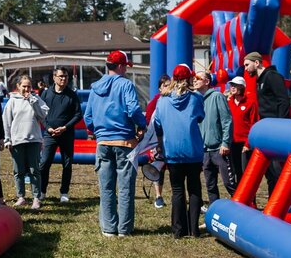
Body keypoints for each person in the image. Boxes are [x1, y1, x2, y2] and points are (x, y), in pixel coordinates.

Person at [84, 50, 146, 237]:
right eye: (125, 66)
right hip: (124, 141)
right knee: (125, 188)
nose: (126, 69)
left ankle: (109, 228)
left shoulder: (95, 87)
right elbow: (133, 109)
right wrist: (141, 125)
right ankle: (124, 229)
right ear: (120, 66)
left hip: (103, 142)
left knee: (106, 188)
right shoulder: (126, 84)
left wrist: (97, 132)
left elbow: (88, 117)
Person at [152, 64, 204, 238]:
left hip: (173, 151)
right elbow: (200, 117)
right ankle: (194, 229)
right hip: (193, 150)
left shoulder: (162, 100)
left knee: (177, 191)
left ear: (173, 79)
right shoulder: (196, 98)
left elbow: (157, 124)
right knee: (194, 189)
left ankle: (178, 230)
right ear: (189, 79)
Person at [243, 51, 291, 191]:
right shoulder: (259, 80)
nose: (245, 68)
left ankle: (286, 199)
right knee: (269, 171)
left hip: (275, 128)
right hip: (266, 127)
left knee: (276, 169)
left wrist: (280, 125)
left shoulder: (272, 76)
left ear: (257, 63)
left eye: (247, 65)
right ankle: (272, 200)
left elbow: (283, 100)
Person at [2, 74, 49, 209]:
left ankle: (36, 197)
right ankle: (21, 196)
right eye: (24, 86)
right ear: (18, 86)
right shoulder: (12, 101)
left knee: (35, 170)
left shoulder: (36, 99)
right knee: (18, 170)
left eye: (29, 86)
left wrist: (33, 103)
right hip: (17, 140)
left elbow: (42, 115)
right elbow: (7, 121)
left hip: (33, 139)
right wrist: (7, 139)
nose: (26, 89)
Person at [38, 67, 82, 203]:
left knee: (67, 164)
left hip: (66, 134)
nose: (63, 79)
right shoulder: (45, 94)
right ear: (54, 77)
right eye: (61, 76)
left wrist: (65, 127)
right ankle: (42, 191)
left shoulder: (72, 95)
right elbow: (40, 114)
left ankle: (64, 192)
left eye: (66, 76)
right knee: (44, 163)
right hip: (49, 134)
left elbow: (78, 114)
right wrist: (48, 128)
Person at [195, 71, 236, 209]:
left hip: (219, 148)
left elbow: (227, 120)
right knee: (210, 184)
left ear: (207, 82)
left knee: (229, 183)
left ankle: (242, 208)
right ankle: (214, 210)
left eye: (198, 78)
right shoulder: (197, 99)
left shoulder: (217, 96)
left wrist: (225, 143)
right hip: (204, 150)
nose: (194, 80)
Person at [144, 74, 172, 208]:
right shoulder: (155, 102)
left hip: (172, 141)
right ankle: (158, 196)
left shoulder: (175, 100)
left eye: (170, 85)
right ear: (160, 88)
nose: (168, 87)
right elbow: (149, 122)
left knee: (175, 168)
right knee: (159, 169)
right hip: (157, 142)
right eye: (165, 85)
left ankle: (178, 195)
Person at [227, 76, 259, 182]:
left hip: (245, 143)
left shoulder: (250, 103)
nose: (232, 87)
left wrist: (248, 143)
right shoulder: (228, 102)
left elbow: (254, 124)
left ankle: (248, 193)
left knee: (246, 172)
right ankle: (238, 192)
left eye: (235, 85)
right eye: (231, 85)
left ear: (242, 87)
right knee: (235, 171)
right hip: (232, 142)